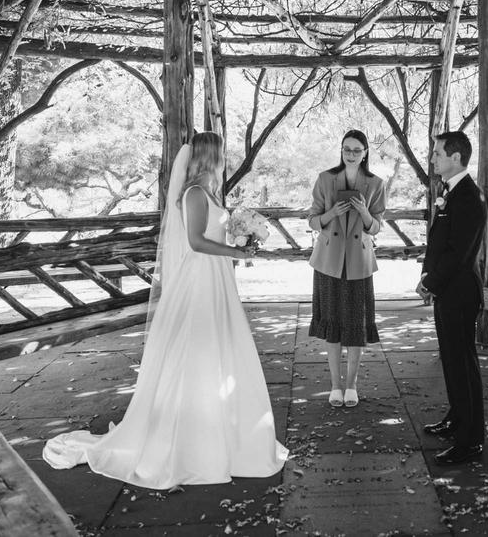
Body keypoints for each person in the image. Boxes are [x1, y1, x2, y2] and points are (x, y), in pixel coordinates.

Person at [42, 131, 288, 488]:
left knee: (217, 348)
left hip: (215, 278)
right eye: (221, 153)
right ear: (210, 156)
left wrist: (240, 240)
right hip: (200, 278)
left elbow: (212, 236)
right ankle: (186, 439)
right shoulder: (194, 194)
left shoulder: (210, 194)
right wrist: (236, 251)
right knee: (194, 348)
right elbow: (196, 242)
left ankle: (219, 429)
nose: (225, 159)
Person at [417, 130, 486, 465]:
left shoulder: (469, 197)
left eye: (437, 153)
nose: (432, 158)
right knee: (450, 360)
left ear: (456, 157)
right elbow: (439, 243)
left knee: (463, 364)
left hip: (460, 292)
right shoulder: (450, 191)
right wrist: (427, 277)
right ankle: (457, 419)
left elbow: (459, 253)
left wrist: (431, 283)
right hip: (447, 289)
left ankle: (470, 440)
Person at [307, 129, 386, 408]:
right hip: (329, 261)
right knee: (332, 325)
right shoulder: (325, 179)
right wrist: (332, 213)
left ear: (365, 153)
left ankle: (351, 385)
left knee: (355, 326)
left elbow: (376, 226)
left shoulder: (376, 183)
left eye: (356, 150)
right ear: (341, 151)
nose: (350, 154)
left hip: (358, 263)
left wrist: (364, 212)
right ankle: (335, 385)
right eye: (346, 149)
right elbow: (312, 220)